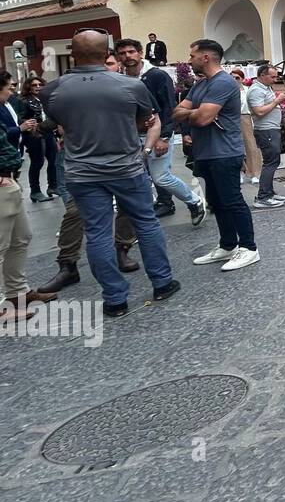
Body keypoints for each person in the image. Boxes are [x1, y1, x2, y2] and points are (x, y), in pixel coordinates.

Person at [38, 31, 180, 318]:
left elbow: (55, 122)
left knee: (97, 233)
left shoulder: (51, 90)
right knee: (146, 223)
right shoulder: (130, 85)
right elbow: (144, 121)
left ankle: (115, 299)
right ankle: (162, 283)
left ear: (72, 54)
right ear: (107, 55)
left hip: (82, 171)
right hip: (126, 166)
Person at [174, 39, 260, 271]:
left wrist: (194, 114)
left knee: (232, 201)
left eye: (192, 56)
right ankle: (228, 245)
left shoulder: (222, 82)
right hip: (206, 153)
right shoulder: (200, 84)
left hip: (224, 152)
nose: (189, 60)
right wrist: (197, 113)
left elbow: (202, 118)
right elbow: (177, 111)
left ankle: (249, 248)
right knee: (217, 202)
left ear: (206, 57)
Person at [115, 39, 206, 227]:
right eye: (123, 53)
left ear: (141, 52)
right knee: (140, 179)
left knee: (161, 176)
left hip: (158, 134)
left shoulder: (156, 76)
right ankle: (146, 217)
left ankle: (194, 202)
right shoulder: (120, 79)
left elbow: (169, 107)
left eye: (131, 52)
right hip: (131, 137)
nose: (127, 56)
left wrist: (164, 136)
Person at [0, 70, 46, 319]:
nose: (11, 91)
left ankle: (18, 292)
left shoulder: (7, 105)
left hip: (10, 177)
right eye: (8, 87)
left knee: (21, 237)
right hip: (2, 180)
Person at [247, 64, 285, 209]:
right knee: (270, 162)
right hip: (266, 130)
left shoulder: (265, 88)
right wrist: (276, 101)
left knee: (274, 161)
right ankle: (263, 196)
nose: (275, 79)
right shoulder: (256, 90)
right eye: (272, 76)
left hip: (271, 129)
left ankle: (269, 193)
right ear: (262, 75)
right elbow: (259, 111)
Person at [15, 76, 58, 202]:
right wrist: (30, 125)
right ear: (28, 87)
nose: (38, 87)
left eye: (40, 84)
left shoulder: (45, 99)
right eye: (34, 85)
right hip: (34, 135)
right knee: (37, 162)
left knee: (53, 159)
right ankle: (35, 191)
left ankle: (53, 186)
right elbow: (19, 118)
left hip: (48, 132)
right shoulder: (23, 101)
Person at [232, 68, 262, 185]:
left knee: (251, 146)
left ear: (242, 79)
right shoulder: (228, 91)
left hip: (246, 117)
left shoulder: (247, 90)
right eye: (232, 78)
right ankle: (240, 172)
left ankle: (254, 173)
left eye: (237, 78)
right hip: (232, 118)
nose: (234, 80)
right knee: (236, 147)